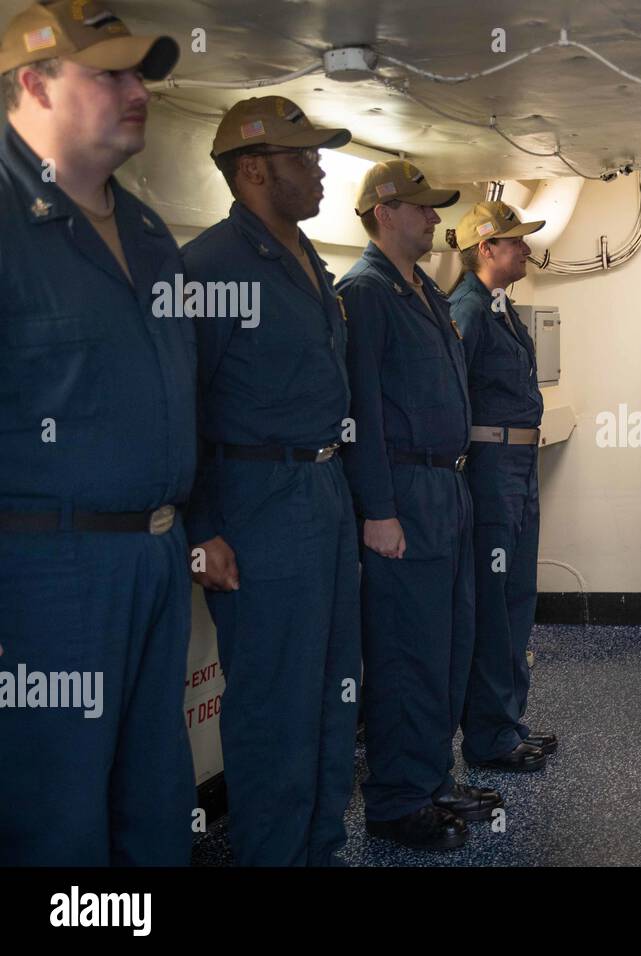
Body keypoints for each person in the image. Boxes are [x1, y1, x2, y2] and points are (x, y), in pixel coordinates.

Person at [0, 0, 192, 866]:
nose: (136, 90)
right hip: (45, 572)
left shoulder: (149, 233)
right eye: (109, 73)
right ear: (33, 83)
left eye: (140, 73)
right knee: (59, 816)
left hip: (154, 554)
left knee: (154, 800)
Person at [182, 96, 360, 865]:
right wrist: (200, 529)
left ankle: (317, 849)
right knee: (274, 708)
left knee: (327, 696)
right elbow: (181, 405)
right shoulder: (211, 267)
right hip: (257, 503)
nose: (318, 169)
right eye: (304, 158)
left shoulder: (309, 260)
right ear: (253, 169)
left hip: (324, 491)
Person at [338, 160, 501, 849]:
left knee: (447, 646)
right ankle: (397, 801)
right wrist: (378, 510)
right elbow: (363, 411)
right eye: (422, 208)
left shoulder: (426, 293)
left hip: (447, 488)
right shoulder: (366, 293)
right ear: (383, 213)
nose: (435, 219)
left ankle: (432, 777)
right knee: (406, 654)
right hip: (403, 491)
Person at [449, 201, 558, 771]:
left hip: (517, 464)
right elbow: (451, 390)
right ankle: (489, 735)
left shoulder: (501, 308)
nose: (524, 249)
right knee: (493, 604)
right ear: (485, 249)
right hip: (491, 466)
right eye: (514, 241)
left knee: (516, 596)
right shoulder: (465, 309)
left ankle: (506, 720)